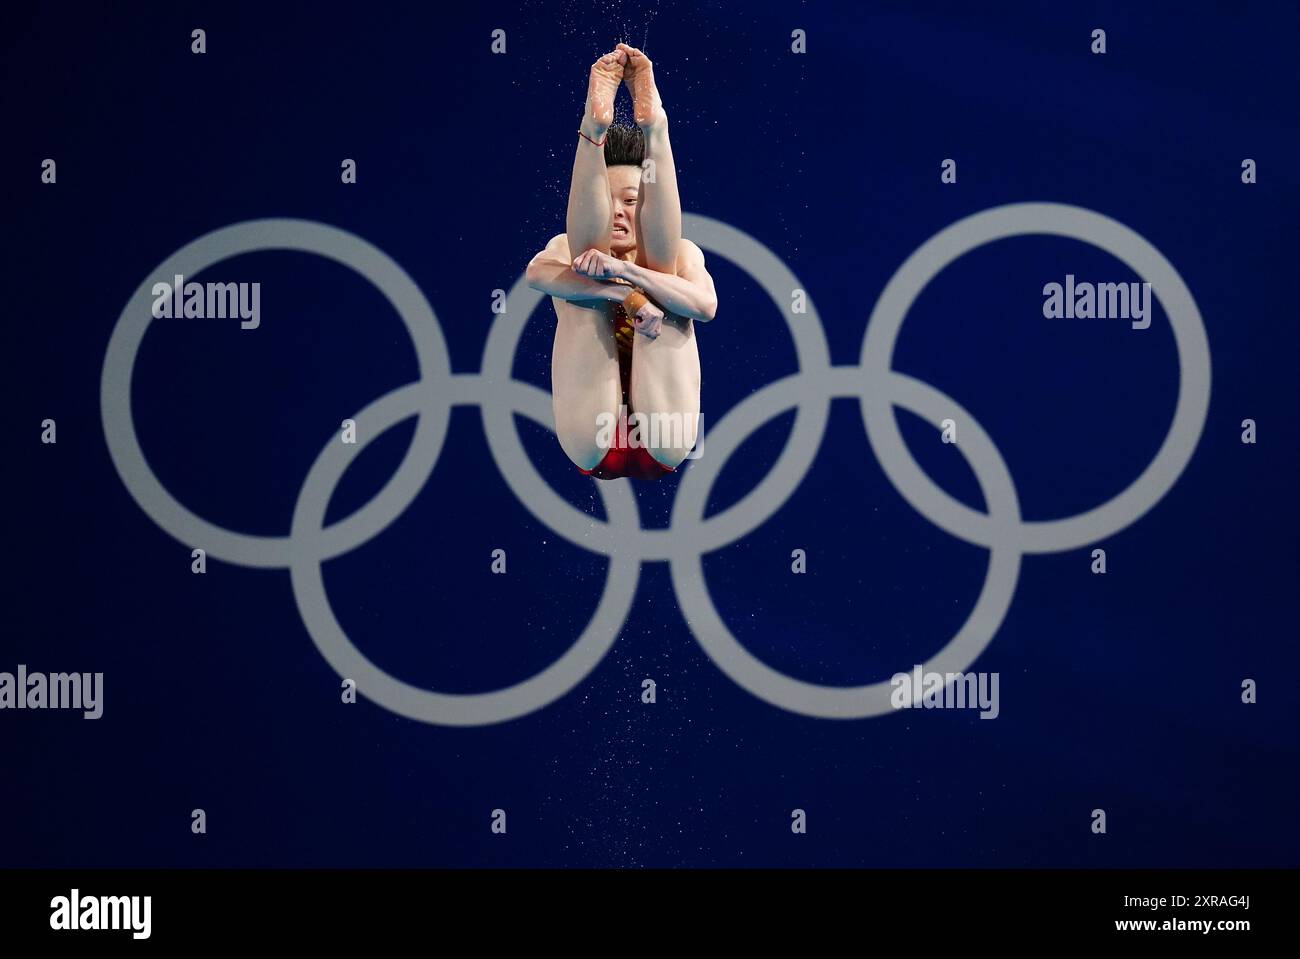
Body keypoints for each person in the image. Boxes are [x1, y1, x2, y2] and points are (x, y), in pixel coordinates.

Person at [526, 43, 717, 481]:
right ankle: (593, 130)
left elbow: (706, 307)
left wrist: (629, 271)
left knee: (663, 276)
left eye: (631, 200)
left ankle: (656, 128)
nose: (618, 212)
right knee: (582, 273)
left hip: (664, 430)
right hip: (592, 431)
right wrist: (625, 294)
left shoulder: (684, 253)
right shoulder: (564, 247)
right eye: (608, 200)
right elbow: (536, 275)